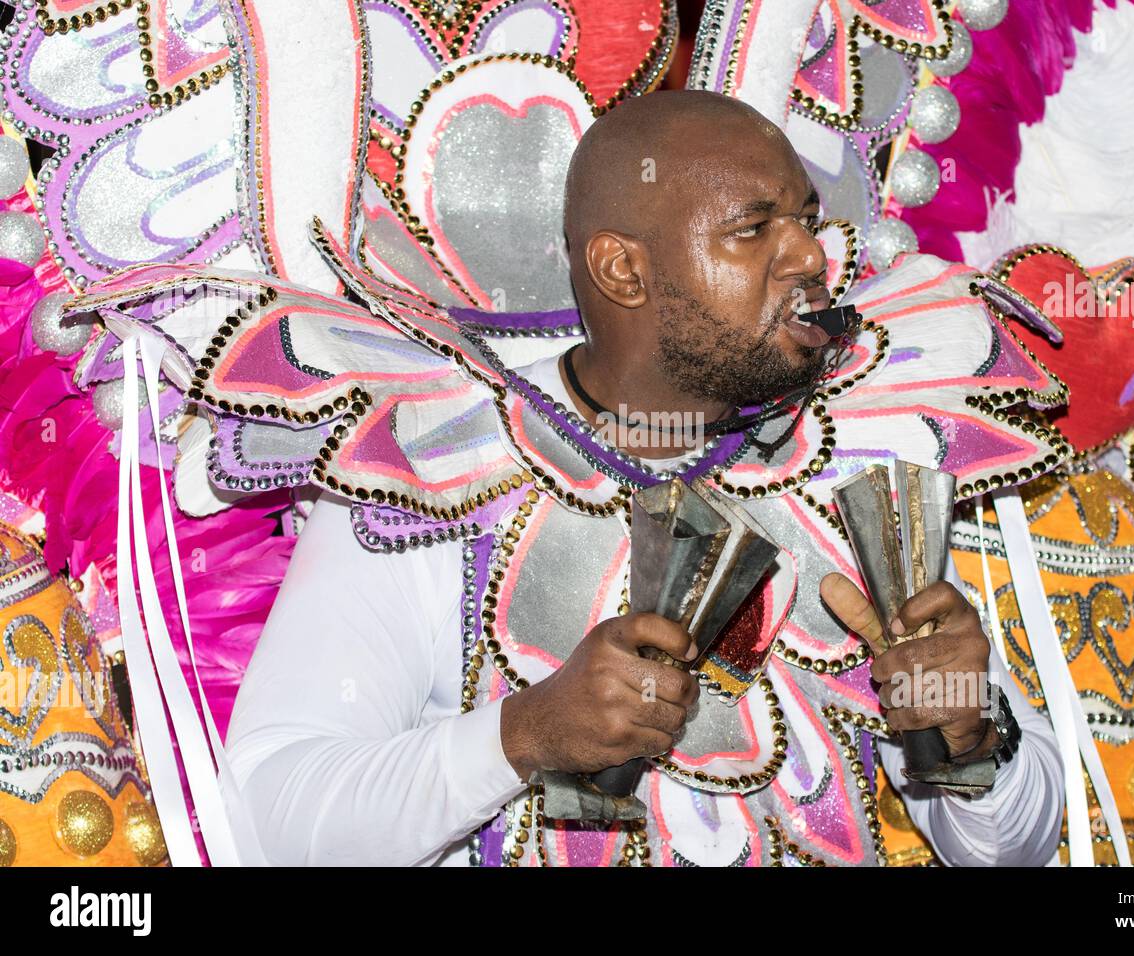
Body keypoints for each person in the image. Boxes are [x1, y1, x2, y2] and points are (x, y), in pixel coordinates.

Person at [205, 90, 1065, 867]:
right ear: (625, 270)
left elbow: (1013, 851)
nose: (811, 255)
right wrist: (523, 734)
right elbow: (268, 817)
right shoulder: (435, 467)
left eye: (806, 219)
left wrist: (965, 729)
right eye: (754, 228)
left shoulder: (859, 463)